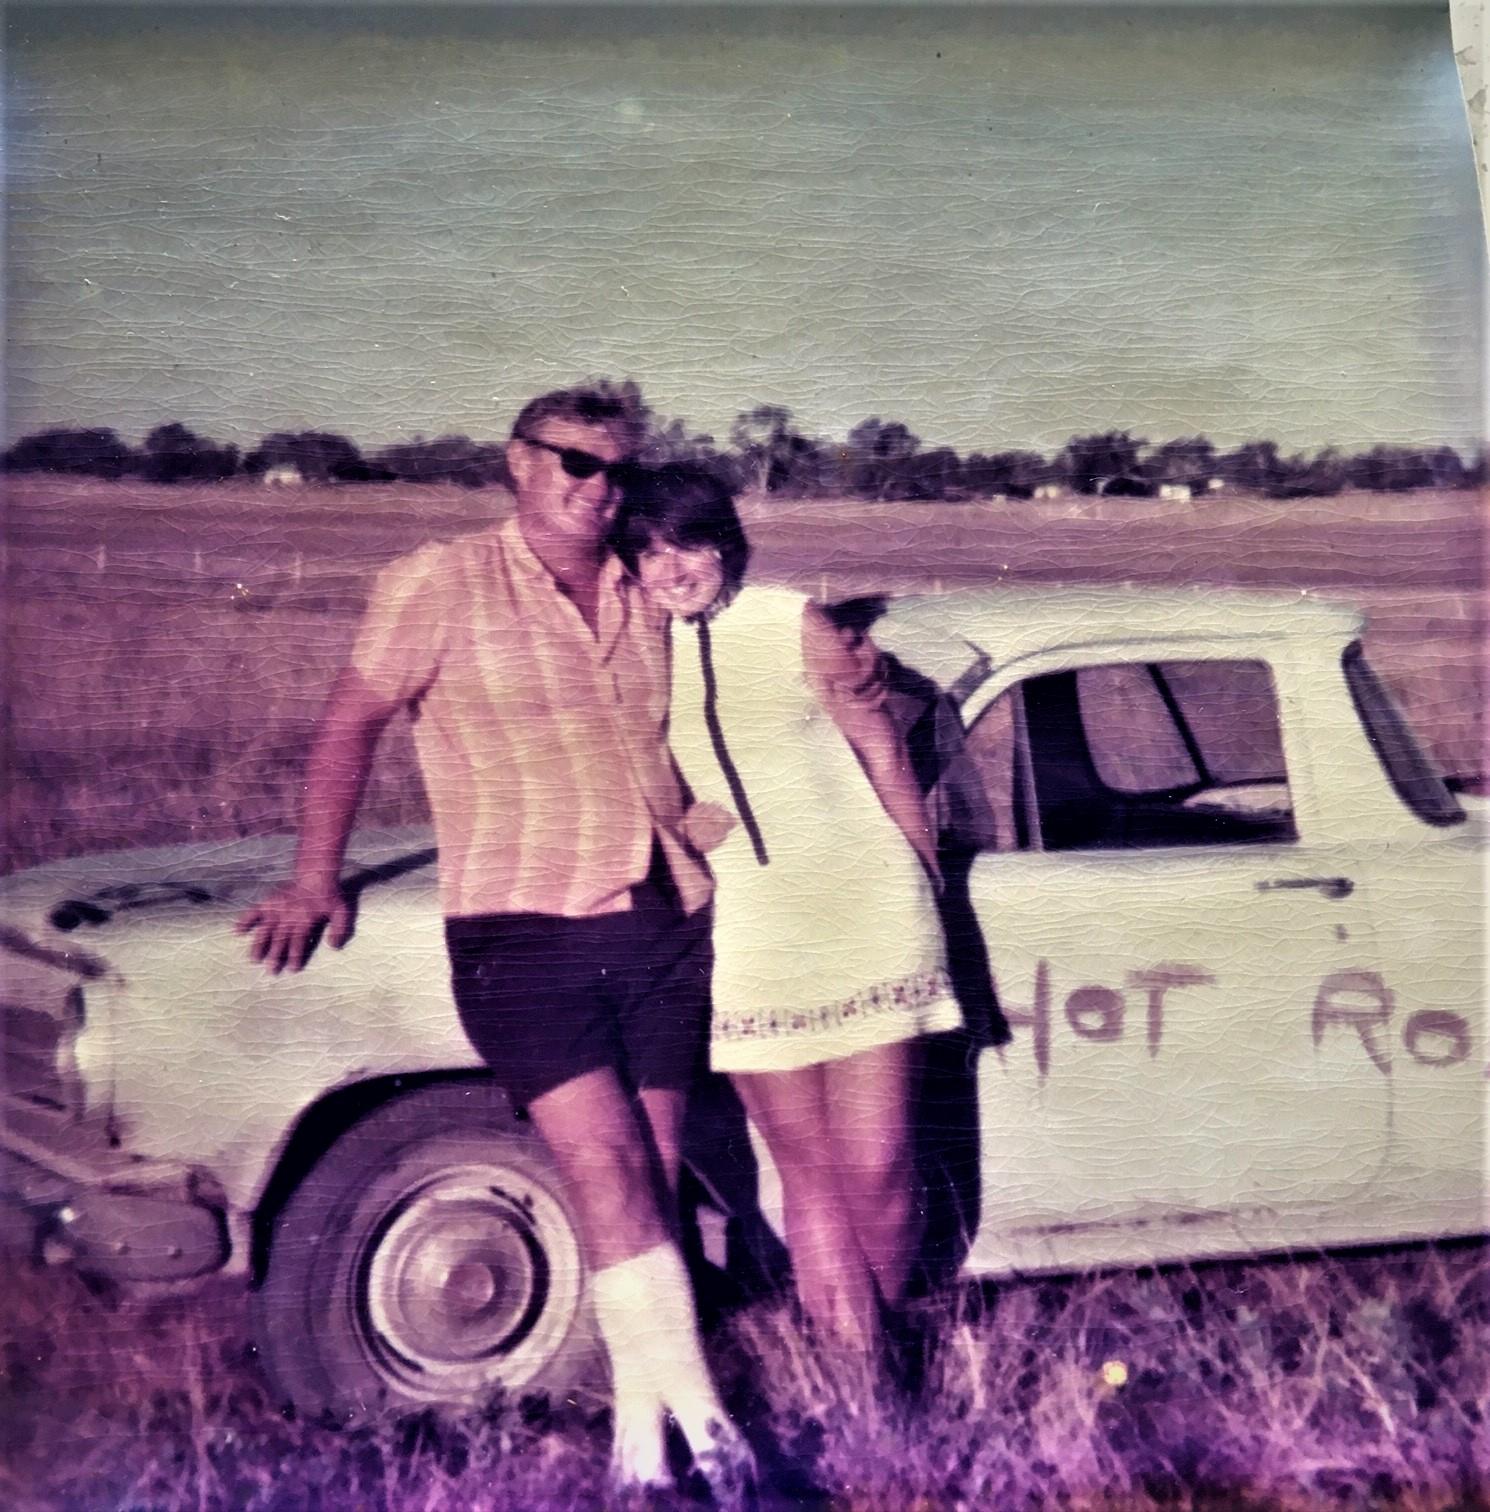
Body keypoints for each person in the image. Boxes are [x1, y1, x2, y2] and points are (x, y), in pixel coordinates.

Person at [235, 386, 746, 1493]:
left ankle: (636, 1456)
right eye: (573, 464)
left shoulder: (645, 580)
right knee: (606, 1173)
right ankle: (717, 1441)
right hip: (519, 924)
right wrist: (314, 876)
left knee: (652, 1179)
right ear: (516, 463)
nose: (597, 489)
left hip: (659, 915)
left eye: (615, 470)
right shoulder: (442, 581)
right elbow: (350, 721)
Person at [612, 462, 963, 1348]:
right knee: (805, 1177)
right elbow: (625, 772)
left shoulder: (793, 621)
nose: (672, 568)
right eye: (647, 552)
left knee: (878, 1170)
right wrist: (678, 820)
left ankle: (880, 1350)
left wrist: (927, 885)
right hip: (754, 931)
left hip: (869, 911)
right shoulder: (635, 647)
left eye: (687, 543)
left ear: (725, 543)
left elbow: (885, 756)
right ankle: (853, 1382)